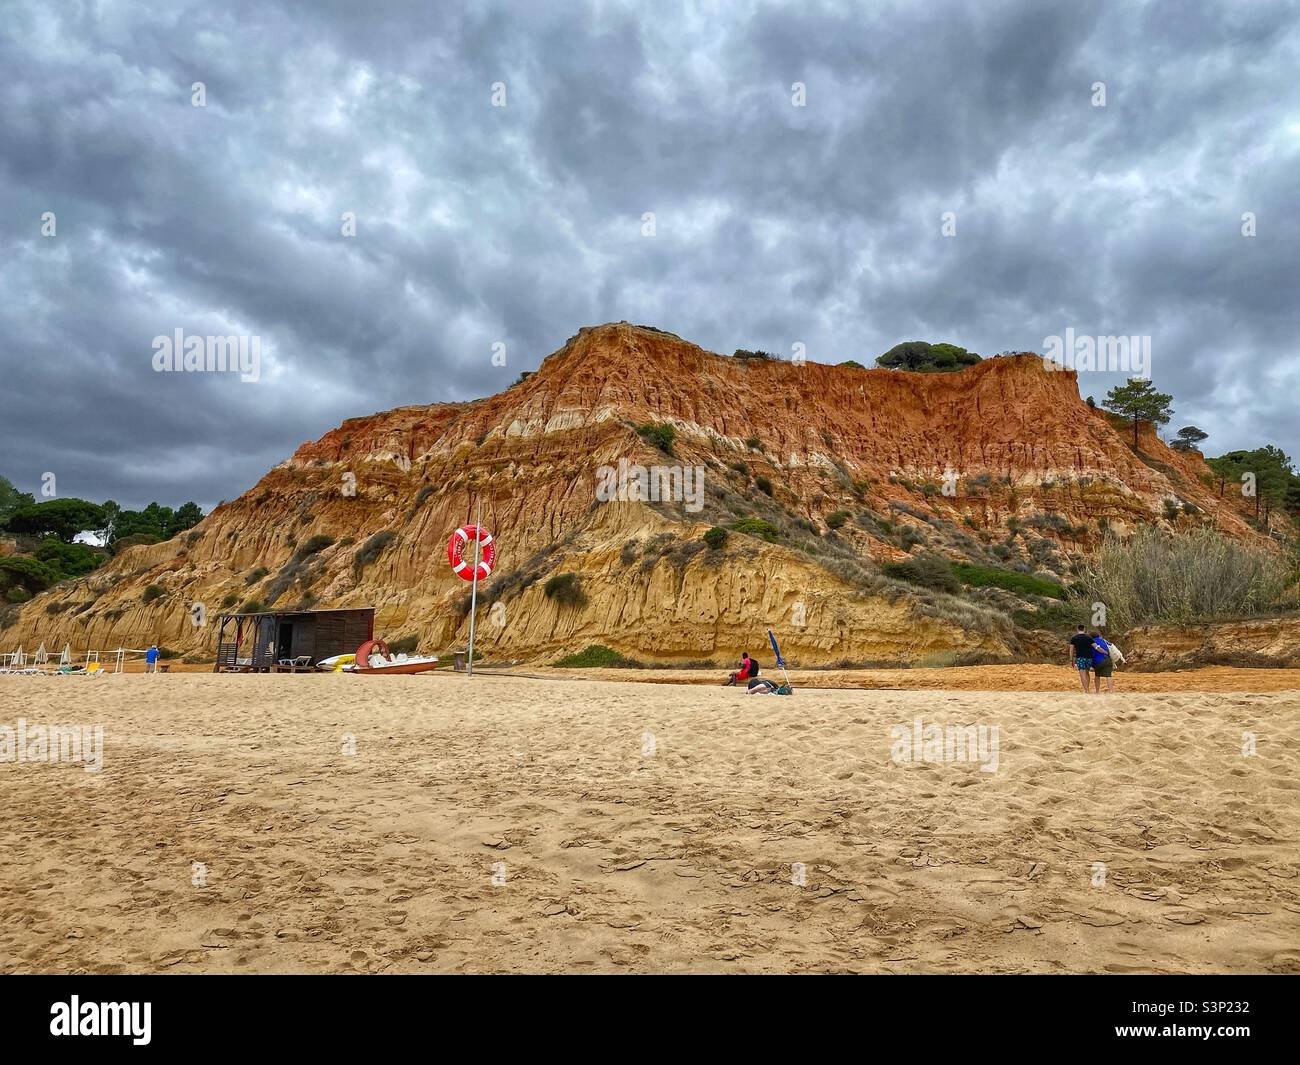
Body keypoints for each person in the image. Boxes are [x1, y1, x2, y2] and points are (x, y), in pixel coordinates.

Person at [1068, 626, 1093, 692]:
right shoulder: (1089, 637)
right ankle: (1087, 688)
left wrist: (1071, 660)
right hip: (1089, 658)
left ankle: (1086, 690)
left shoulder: (1074, 638)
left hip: (1080, 658)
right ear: (1084, 629)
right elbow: (1095, 647)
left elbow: (1071, 650)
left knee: (1082, 674)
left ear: (1077, 629)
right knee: (1087, 673)